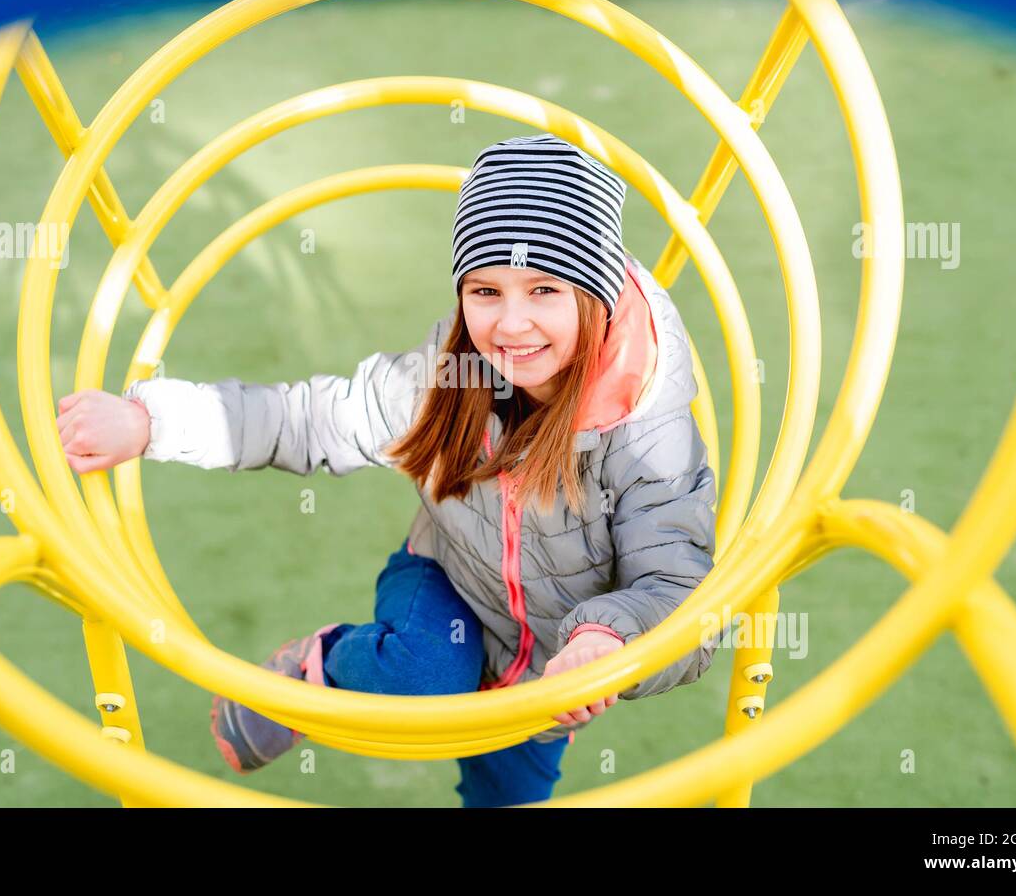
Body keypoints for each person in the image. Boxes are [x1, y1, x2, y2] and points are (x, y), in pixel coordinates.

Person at [54, 133, 719, 807]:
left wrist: (608, 639)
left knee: (508, 797)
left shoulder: (647, 437)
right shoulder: (454, 374)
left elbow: (677, 589)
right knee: (427, 673)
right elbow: (311, 418)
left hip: (554, 664)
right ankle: (316, 672)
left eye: (544, 289)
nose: (512, 323)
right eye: (486, 289)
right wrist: (153, 422)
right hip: (445, 579)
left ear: (594, 294)